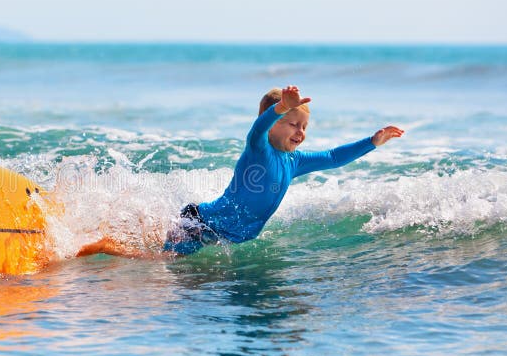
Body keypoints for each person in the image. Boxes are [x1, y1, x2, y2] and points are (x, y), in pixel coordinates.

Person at [76, 85, 403, 258]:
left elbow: (333, 156)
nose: (301, 132)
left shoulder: (295, 161)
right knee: (161, 267)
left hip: (216, 235)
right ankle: (104, 248)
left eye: (304, 126)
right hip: (200, 224)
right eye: (293, 123)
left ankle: (115, 242)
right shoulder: (258, 149)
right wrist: (279, 107)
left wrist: (372, 142)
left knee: (175, 270)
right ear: (274, 122)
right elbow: (255, 130)